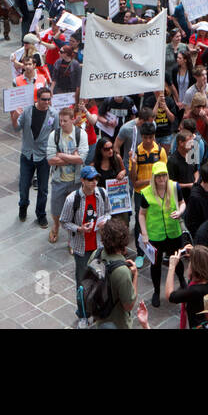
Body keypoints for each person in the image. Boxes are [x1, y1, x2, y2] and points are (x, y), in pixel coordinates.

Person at [61, 165, 109, 324]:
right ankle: (82, 314)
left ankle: (96, 309)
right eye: (90, 180)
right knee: (82, 283)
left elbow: (108, 212)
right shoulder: (72, 199)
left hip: (98, 245)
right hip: (81, 248)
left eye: (96, 179)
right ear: (82, 180)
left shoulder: (102, 193)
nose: (94, 182)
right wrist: (80, 229)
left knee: (100, 279)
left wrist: (104, 222)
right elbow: (64, 222)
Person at [140, 162, 186, 306]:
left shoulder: (174, 187)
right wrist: (145, 234)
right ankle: (156, 291)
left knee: (177, 260)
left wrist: (179, 211)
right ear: (153, 177)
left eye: (164, 175)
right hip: (155, 235)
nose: (162, 179)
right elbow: (141, 214)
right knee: (156, 265)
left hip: (174, 232)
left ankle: (183, 281)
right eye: (158, 176)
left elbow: (183, 203)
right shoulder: (146, 193)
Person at [12, 88, 57, 227]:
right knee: (24, 185)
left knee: (43, 188)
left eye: (49, 99)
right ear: (37, 99)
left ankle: (41, 214)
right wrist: (14, 117)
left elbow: (55, 135)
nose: (47, 102)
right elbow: (16, 128)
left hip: (43, 156)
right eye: (44, 99)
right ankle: (23, 206)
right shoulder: (27, 111)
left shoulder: (53, 114)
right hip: (27, 155)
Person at [48, 107, 87, 245]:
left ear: (72, 120)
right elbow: (51, 159)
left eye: (65, 121)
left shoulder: (81, 134)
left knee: (76, 211)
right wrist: (73, 157)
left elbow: (82, 159)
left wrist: (62, 155)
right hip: (59, 179)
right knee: (56, 208)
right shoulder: (54, 135)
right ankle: (56, 226)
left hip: (76, 181)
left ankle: (72, 237)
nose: (62, 124)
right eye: (60, 121)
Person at [94, 216, 138, 329]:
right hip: (117, 322)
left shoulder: (96, 254)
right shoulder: (122, 271)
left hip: (100, 317)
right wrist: (135, 276)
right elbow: (128, 305)